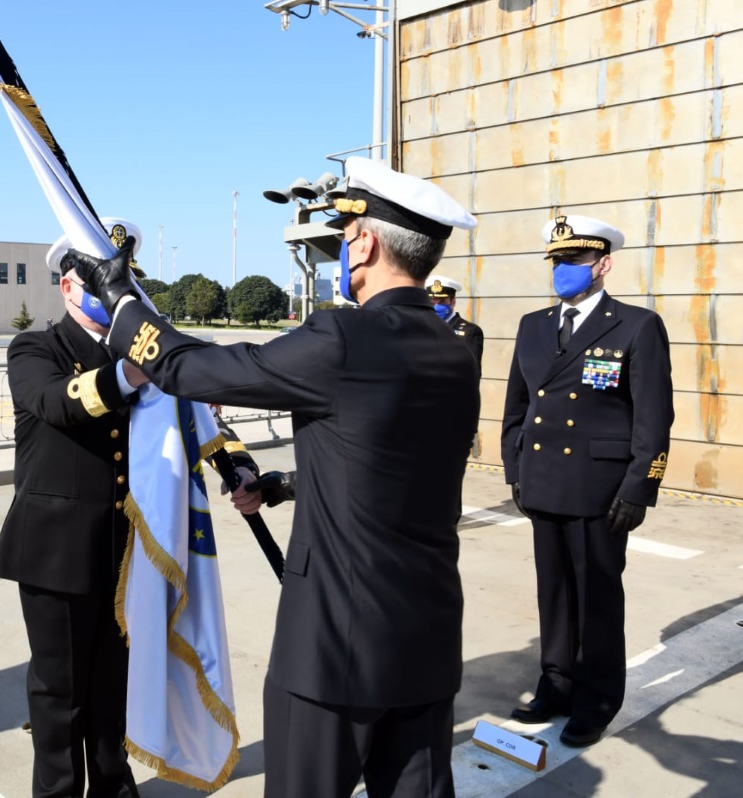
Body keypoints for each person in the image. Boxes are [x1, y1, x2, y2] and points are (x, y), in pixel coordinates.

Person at [70, 157, 480, 798]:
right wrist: (285, 485)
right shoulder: (458, 349)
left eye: (344, 234)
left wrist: (122, 303)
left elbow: (191, 369)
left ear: (364, 241)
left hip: (334, 645)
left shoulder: (343, 337)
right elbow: (387, 458)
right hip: (426, 632)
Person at [501, 214, 674, 747]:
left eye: (574, 261)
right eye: (556, 262)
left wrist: (639, 487)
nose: (562, 270)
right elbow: (517, 406)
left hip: (600, 490)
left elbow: (654, 418)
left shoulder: (636, 325)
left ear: (602, 265)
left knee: (597, 599)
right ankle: (555, 685)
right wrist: (515, 470)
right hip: (544, 482)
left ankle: (596, 700)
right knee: (553, 595)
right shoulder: (533, 325)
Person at [0, 218, 144, 797]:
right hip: (55, 551)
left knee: (112, 685)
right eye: (102, 282)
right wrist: (128, 374)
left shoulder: (134, 352)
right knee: (61, 694)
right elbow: (58, 403)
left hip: (123, 547)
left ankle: (113, 785)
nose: (114, 295)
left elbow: (189, 417)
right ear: (68, 286)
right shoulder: (36, 346)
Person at [428, 275, 484, 373]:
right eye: (432, 302)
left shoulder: (469, 332)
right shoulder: (422, 328)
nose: (436, 307)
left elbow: (471, 373)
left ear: (453, 302)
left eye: (441, 301)